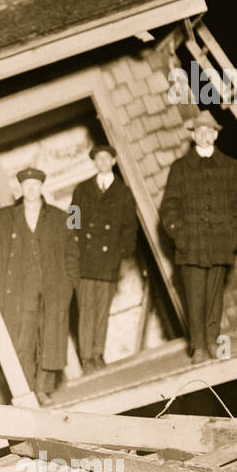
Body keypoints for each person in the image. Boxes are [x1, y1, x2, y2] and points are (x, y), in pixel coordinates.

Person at [0, 168, 78, 404]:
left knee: (50, 341)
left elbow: (72, 252)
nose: (31, 189)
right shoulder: (5, 217)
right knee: (23, 342)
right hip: (21, 293)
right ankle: (28, 389)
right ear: (19, 189)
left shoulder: (61, 218)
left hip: (53, 290)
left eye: (35, 185)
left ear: (41, 188)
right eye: (26, 185)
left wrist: (69, 285)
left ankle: (43, 389)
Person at [159, 110, 237, 364]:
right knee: (195, 295)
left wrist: (233, 233)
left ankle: (212, 341)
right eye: (200, 131)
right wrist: (179, 234)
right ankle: (197, 346)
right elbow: (169, 206)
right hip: (191, 244)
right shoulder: (180, 167)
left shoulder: (230, 165)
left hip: (221, 242)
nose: (204, 135)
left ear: (216, 135)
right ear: (194, 135)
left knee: (214, 295)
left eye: (209, 131)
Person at [70, 143, 138, 373]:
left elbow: (130, 227)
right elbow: (73, 221)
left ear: (113, 161)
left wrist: (121, 252)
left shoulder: (124, 192)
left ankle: (98, 353)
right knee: (86, 309)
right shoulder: (82, 190)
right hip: (85, 260)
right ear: (94, 163)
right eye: (98, 159)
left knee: (102, 310)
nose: (102, 162)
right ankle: (86, 358)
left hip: (109, 260)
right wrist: (74, 248)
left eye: (106, 158)